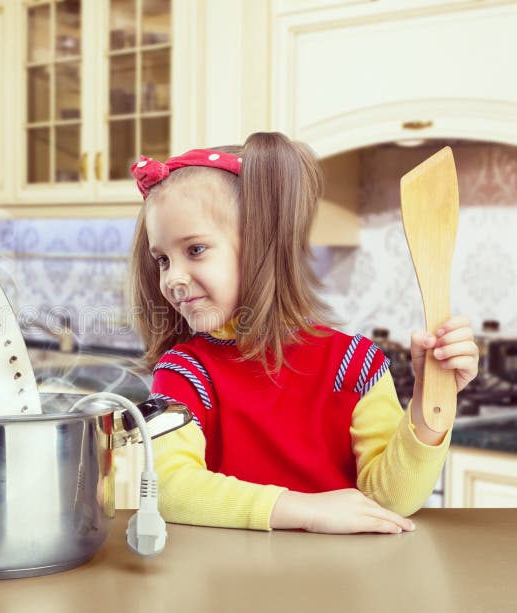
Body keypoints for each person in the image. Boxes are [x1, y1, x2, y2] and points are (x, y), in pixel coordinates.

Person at [128, 132, 479, 534]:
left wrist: (430, 402)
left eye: (195, 250)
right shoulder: (184, 374)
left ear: (263, 243)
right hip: (227, 585)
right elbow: (169, 488)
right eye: (162, 260)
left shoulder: (356, 365)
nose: (172, 278)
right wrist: (306, 511)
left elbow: (390, 501)